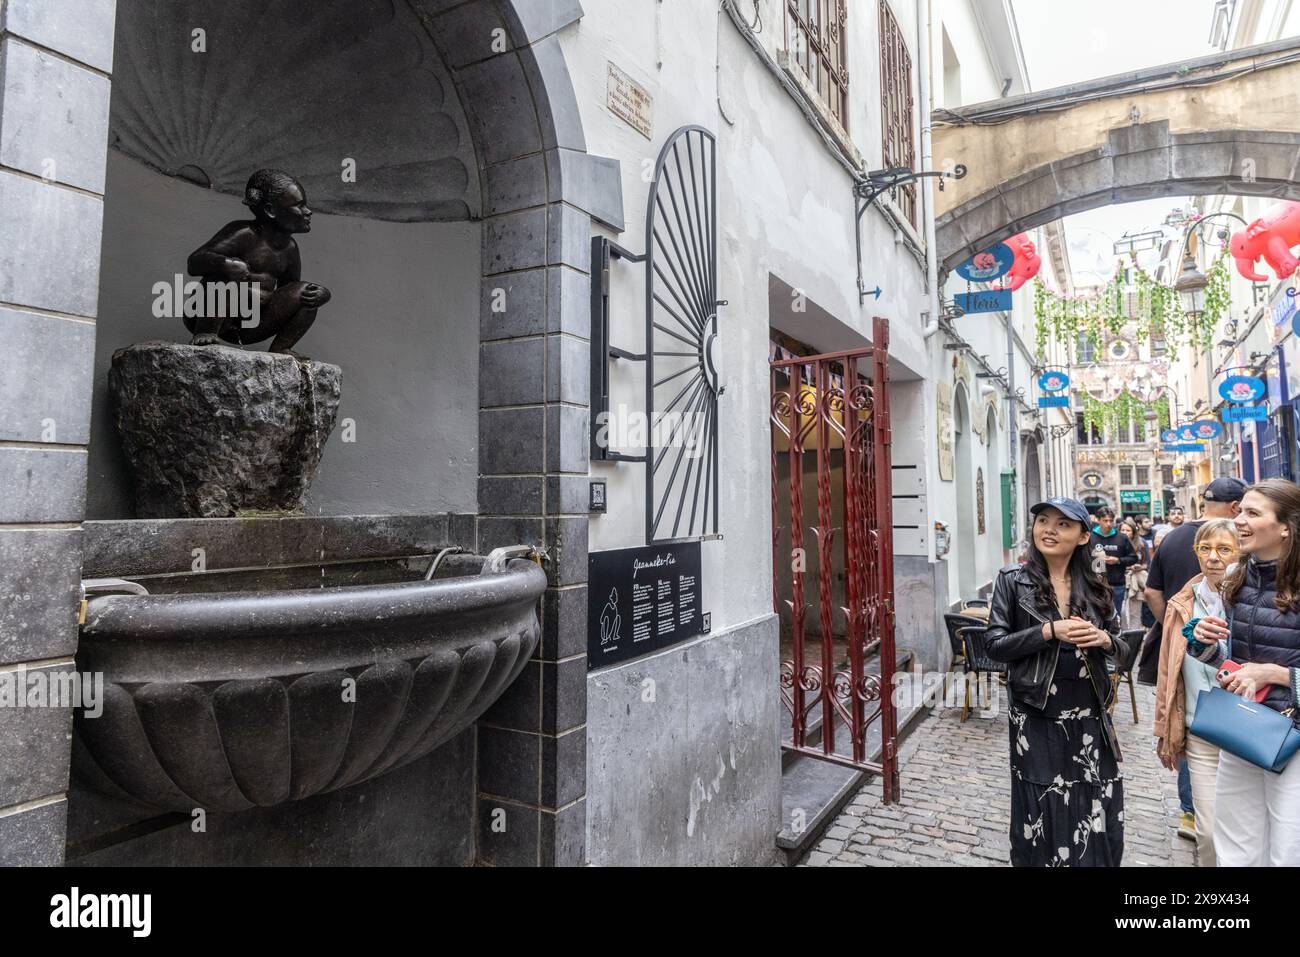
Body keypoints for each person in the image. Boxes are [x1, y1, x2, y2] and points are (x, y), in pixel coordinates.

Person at [985, 496, 1131, 867]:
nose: (1049, 530)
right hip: (1036, 713)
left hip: (1089, 715)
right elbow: (995, 647)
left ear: (1084, 536)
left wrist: (1104, 640)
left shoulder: (1096, 586)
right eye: (1043, 521)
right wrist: (1048, 630)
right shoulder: (1012, 581)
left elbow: (1123, 648)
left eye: (1063, 524)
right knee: (1041, 804)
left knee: (1094, 800)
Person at [1187, 479, 1300, 866]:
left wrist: (1279, 674)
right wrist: (1203, 644)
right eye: (1240, 512)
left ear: (1286, 526)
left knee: (1289, 849)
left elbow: (1268, 669)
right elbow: (1234, 663)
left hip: (1294, 735)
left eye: (1253, 513)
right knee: (1235, 846)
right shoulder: (1239, 576)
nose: (1239, 522)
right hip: (1244, 726)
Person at [1153, 518, 1239, 866]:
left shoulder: (1252, 599)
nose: (1214, 558)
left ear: (1241, 552)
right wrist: (1166, 731)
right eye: (1205, 549)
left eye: (1224, 549)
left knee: (1244, 827)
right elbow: (1168, 672)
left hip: (1247, 727)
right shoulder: (1182, 603)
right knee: (1206, 831)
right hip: (1200, 729)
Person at [1089, 506, 1139, 617]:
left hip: (1117, 584)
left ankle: (1115, 633)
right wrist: (1095, 558)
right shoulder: (1090, 537)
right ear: (1098, 520)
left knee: (1116, 615)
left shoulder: (1122, 538)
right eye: (1105, 520)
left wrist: (1118, 560)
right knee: (1096, 615)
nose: (1108, 524)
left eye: (1111, 521)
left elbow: (1134, 558)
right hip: (1095, 584)